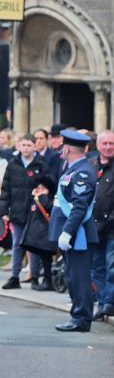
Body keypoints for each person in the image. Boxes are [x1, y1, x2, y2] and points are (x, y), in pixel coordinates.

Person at [49, 130, 99, 332]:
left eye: (63, 147)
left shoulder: (82, 173)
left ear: (67, 148)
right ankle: (77, 314)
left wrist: (67, 232)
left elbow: (79, 206)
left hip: (78, 234)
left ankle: (81, 318)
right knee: (72, 276)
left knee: (79, 277)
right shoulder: (73, 169)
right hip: (72, 233)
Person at [0, 134, 48, 290]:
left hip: (35, 211)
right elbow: (6, 189)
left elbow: (47, 186)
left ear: (34, 146)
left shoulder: (40, 164)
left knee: (32, 245)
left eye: (29, 145)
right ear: (19, 146)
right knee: (17, 244)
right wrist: (4, 210)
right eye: (23, 145)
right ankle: (15, 276)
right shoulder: (13, 164)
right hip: (17, 209)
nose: (26, 148)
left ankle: (34, 276)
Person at [91, 130, 114, 320]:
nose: (108, 147)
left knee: (111, 264)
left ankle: (109, 302)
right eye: (105, 143)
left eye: (112, 144)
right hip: (93, 226)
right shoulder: (90, 165)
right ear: (98, 145)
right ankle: (102, 301)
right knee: (96, 267)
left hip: (112, 227)